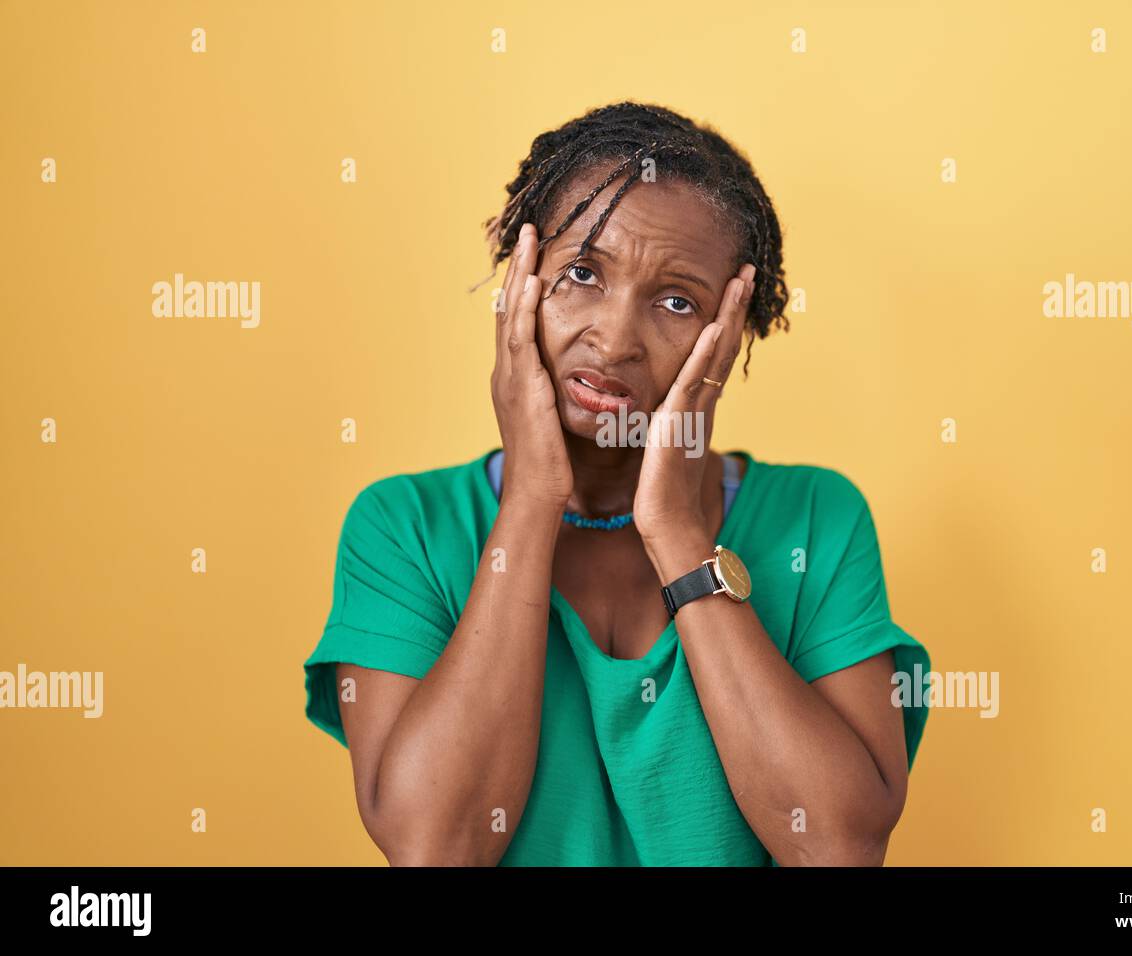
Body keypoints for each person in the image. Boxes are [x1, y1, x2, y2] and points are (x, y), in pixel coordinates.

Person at [303, 101, 930, 866]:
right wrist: (533, 495)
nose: (615, 338)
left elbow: (837, 846)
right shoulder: (403, 528)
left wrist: (675, 532)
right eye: (581, 273)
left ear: (731, 333)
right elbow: (436, 846)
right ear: (520, 277)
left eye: (676, 301)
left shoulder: (816, 520)